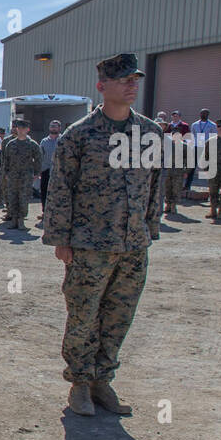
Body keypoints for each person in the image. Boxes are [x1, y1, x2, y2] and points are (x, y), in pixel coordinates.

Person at [41, 53, 161, 417]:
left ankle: (102, 380)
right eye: (123, 78)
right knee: (83, 316)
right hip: (89, 245)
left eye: (134, 78)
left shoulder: (150, 133)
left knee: (119, 315)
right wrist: (60, 238)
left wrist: (149, 229)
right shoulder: (79, 135)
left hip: (133, 244)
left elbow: (156, 185)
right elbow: (60, 188)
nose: (131, 84)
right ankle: (79, 383)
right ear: (101, 86)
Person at [0, 117, 42, 230]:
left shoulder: (32, 144)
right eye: (19, 128)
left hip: (26, 176)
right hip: (12, 176)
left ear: (27, 129)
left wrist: (37, 174)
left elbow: (38, 159)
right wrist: (5, 174)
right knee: (12, 198)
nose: (21, 130)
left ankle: (21, 221)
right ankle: (13, 220)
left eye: (23, 128)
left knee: (23, 199)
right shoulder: (10, 144)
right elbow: (6, 160)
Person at [39, 119, 61, 214]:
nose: (53, 127)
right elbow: (40, 156)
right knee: (44, 191)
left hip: (58, 171)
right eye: (51, 126)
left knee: (57, 192)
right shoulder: (44, 141)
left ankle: (56, 212)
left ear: (59, 128)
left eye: (55, 126)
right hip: (45, 170)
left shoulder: (62, 140)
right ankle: (45, 211)